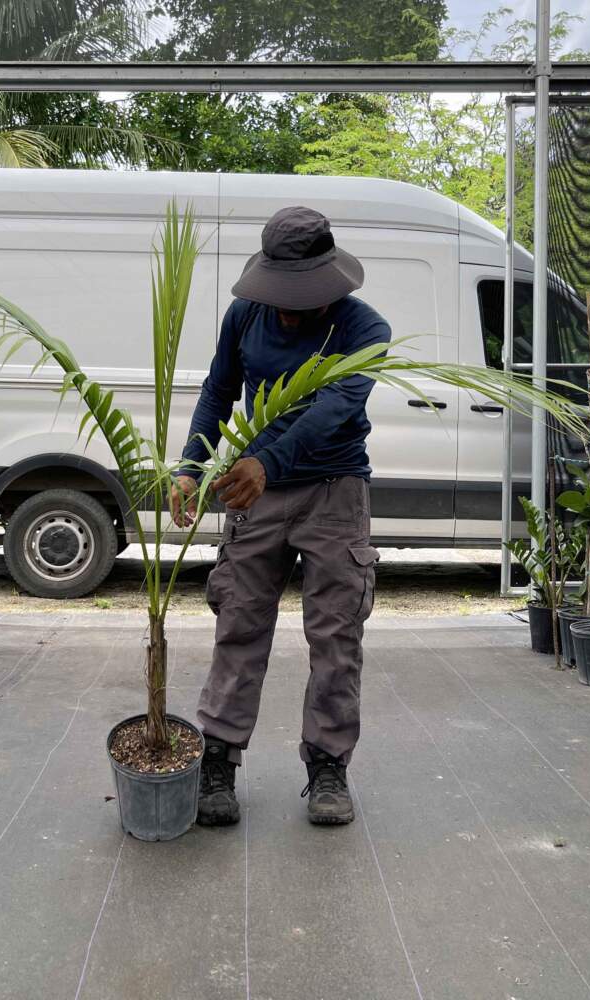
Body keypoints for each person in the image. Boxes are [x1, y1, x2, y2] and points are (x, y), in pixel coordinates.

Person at [171, 205, 391, 827]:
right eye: (281, 297)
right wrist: (191, 465)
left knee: (335, 634)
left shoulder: (365, 329)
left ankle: (328, 766)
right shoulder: (246, 314)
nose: (288, 311)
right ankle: (218, 758)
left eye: (302, 299)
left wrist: (266, 460)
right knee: (239, 622)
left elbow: (333, 409)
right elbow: (219, 389)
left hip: (333, 490)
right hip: (253, 494)